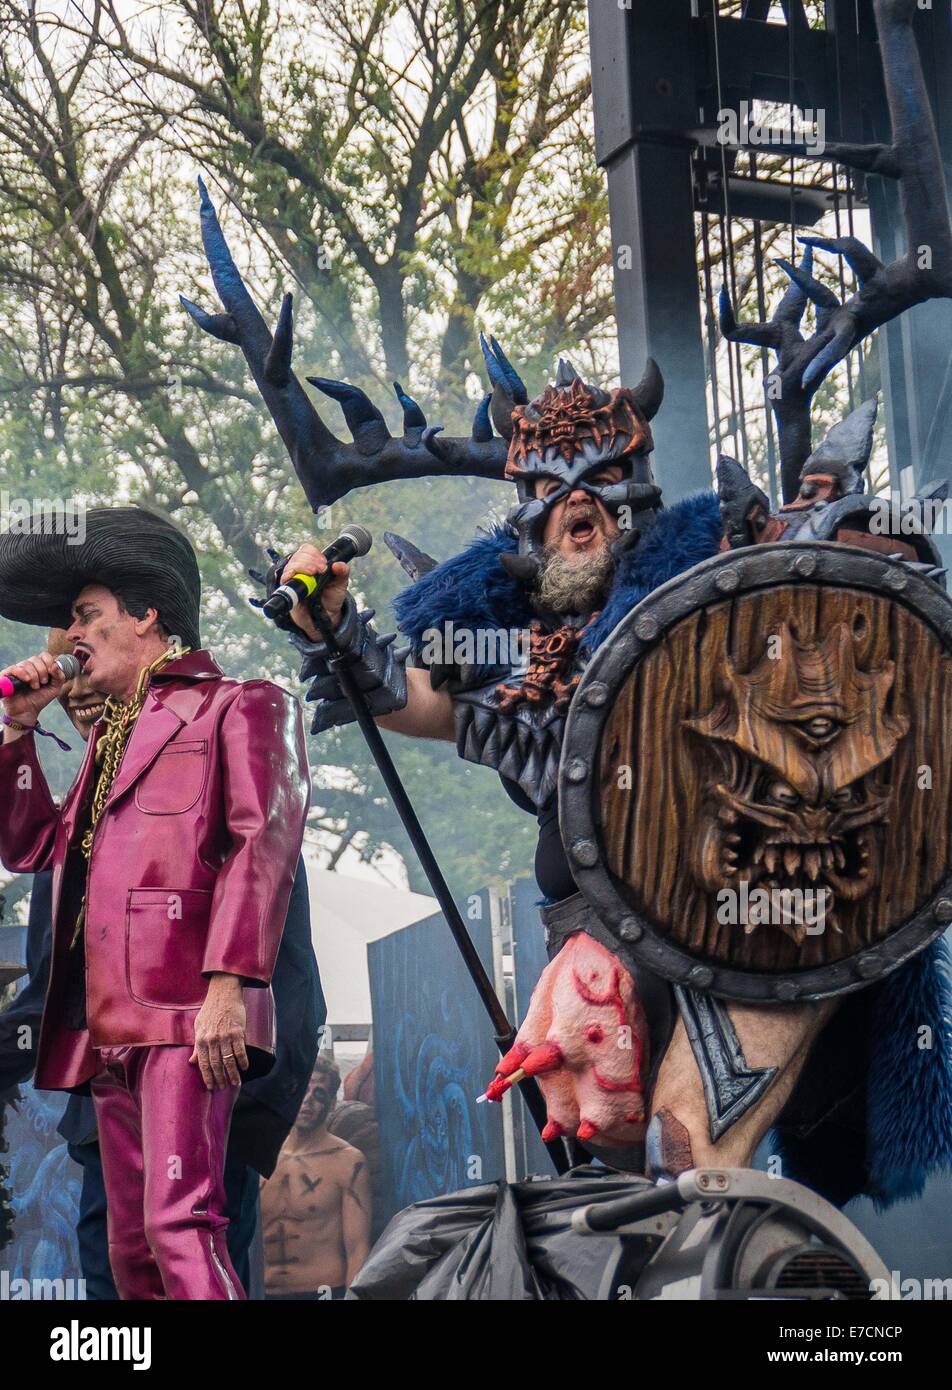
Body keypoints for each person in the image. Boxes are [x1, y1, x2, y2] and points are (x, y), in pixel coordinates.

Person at [0, 507, 310, 1299]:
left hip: (186, 1021)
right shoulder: (107, 748)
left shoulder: (239, 705)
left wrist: (226, 987)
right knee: (132, 1250)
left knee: (182, 1225)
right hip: (109, 1033)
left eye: (86, 615)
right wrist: (16, 736)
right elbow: (30, 851)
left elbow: (259, 844)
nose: (72, 634)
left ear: (146, 615)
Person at [261, 1056, 371, 1299]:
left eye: (319, 1093)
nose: (307, 1101)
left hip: (322, 1292)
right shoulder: (262, 1156)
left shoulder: (347, 1162)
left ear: (332, 1103)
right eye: (301, 1091)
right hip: (264, 1292)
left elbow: (357, 1249)